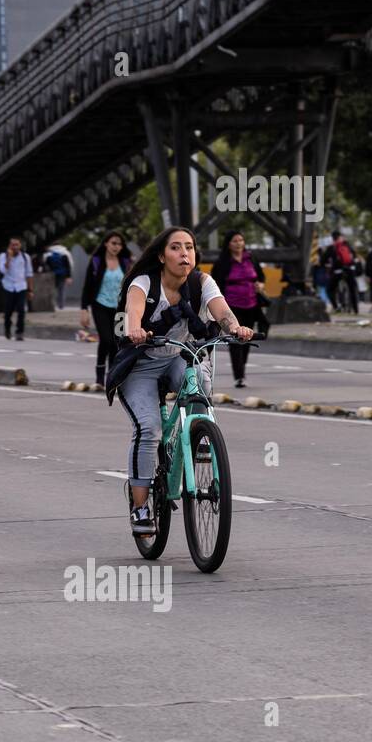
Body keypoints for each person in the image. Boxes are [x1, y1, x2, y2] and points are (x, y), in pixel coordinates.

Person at [109, 227, 252, 537]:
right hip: (141, 365)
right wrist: (135, 330)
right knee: (149, 430)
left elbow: (222, 311)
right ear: (162, 256)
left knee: (199, 377)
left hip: (179, 356)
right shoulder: (144, 283)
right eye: (175, 247)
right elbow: (134, 312)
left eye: (189, 247)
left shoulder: (202, 282)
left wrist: (236, 327)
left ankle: (200, 433)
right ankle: (141, 506)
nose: (184, 253)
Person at [209, 230, 269, 389]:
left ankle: (241, 368)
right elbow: (214, 285)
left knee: (247, 338)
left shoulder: (251, 258)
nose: (238, 244)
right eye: (235, 241)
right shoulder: (222, 262)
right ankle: (239, 376)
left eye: (241, 240)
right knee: (235, 340)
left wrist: (260, 285)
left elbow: (261, 277)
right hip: (231, 306)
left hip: (251, 303)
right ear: (228, 244)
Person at [79, 231, 132, 388]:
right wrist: (84, 309)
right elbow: (87, 286)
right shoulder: (96, 262)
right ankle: (100, 376)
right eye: (113, 243)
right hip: (100, 305)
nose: (116, 247)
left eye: (119, 244)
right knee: (107, 340)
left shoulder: (126, 262)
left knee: (118, 342)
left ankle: (112, 376)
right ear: (106, 244)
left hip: (120, 308)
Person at [0, 237, 34, 340]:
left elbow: (29, 274)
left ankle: (19, 332)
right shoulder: (3, 256)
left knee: (21, 310)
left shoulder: (25, 257)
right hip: (8, 286)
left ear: (20, 245)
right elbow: (3, 271)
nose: (15, 247)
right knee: (8, 311)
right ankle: (7, 329)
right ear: (9, 246)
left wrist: (30, 290)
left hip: (21, 286)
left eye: (17, 245)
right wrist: (9, 258)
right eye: (13, 245)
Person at [322, 230, 359, 313]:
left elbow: (323, 260)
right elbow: (354, 257)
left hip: (337, 271)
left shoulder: (331, 247)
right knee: (353, 289)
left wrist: (327, 265)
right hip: (349, 270)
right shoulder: (347, 245)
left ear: (333, 238)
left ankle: (336, 307)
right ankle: (356, 309)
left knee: (329, 289)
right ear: (341, 237)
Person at [43, 244, 74, 309]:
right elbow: (68, 266)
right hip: (62, 275)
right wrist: (69, 276)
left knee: (52, 291)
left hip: (51, 275)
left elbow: (45, 266)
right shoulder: (65, 254)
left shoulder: (48, 255)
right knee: (61, 290)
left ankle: (52, 305)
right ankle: (61, 306)